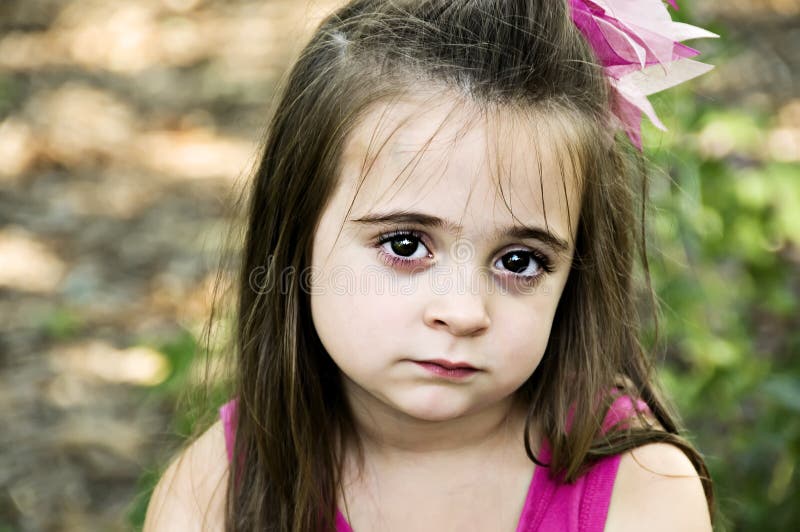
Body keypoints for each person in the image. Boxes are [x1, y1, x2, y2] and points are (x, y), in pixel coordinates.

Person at [144, 0, 720, 530]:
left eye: (519, 260)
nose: (464, 312)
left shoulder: (642, 496)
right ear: (295, 236)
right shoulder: (210, 497)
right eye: (404, 245)